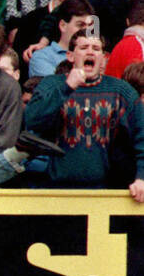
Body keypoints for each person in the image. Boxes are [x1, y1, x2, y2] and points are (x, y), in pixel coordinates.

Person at [25, 29, 144, 193]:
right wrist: (67, 88)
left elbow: (141, 135)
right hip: (55, 190)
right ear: (70, 56)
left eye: (96, 49)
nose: (90, 52)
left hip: (103, 190)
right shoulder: (51, 85)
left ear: (103, 58)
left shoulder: (121, 91)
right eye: (84, 47)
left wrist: (141, 177)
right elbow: (32, 120)